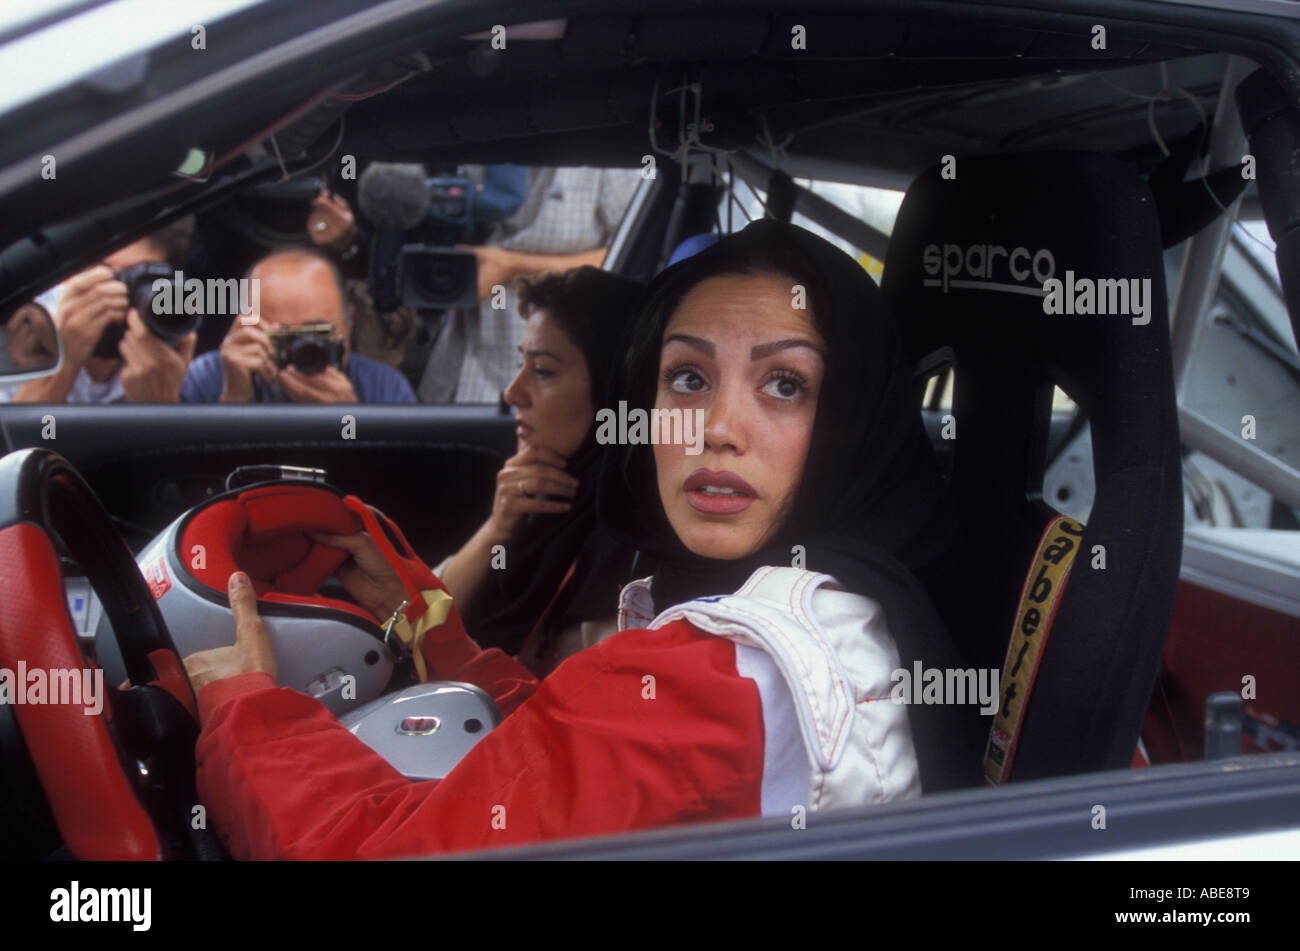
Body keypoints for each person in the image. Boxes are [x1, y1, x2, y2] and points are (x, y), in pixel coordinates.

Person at [184, 220, 982, 859]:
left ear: (854, 420)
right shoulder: (838, 604)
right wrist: (431, 628)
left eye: (784, 384)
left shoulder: (733, 672)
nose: (716, 429)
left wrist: (244, 708)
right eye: (689, 377)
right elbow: (580, 749)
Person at [418, 166, 641, 404]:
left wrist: (511, 266)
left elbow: (634, 257)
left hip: (544, 372)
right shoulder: (473, 147)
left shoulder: (603, 162)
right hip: (458, 362)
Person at [180, 247, 417, 403]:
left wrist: (350, 421)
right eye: (283, 336)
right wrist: (234, 401)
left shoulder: (384, 388)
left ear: (348, 324)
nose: (301, 351)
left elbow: (393, 478)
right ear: (245, 326)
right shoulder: (209, 378)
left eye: (316, 334)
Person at [10, 219, 197, 403]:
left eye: (139, 280)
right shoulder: (29, 332)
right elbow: (23, 431)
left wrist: (161, 406)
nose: (120, 292)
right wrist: (64, 359)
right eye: (108, 276)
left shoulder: (165, 364)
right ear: (67, 275)